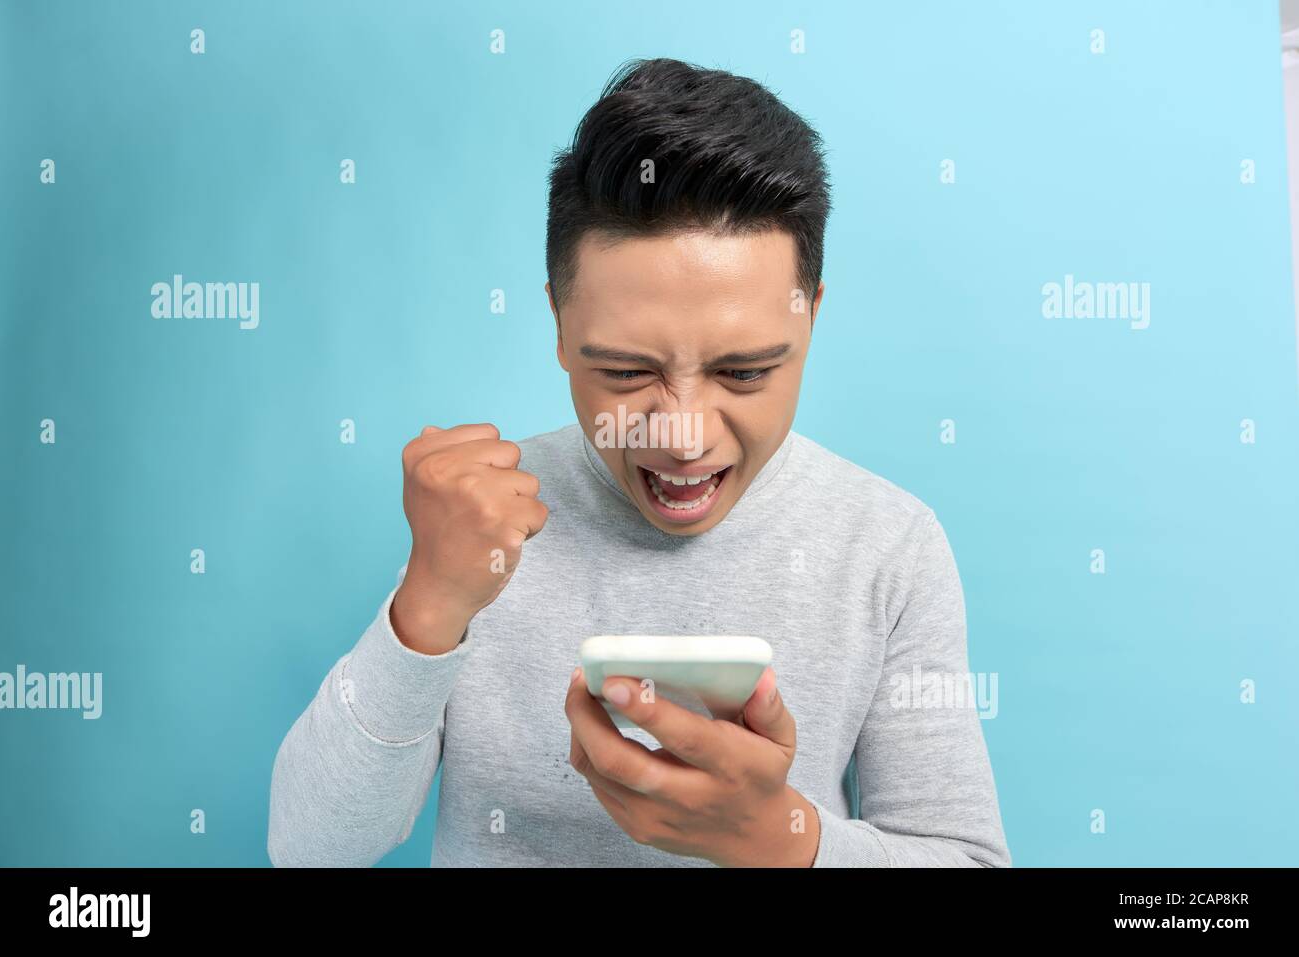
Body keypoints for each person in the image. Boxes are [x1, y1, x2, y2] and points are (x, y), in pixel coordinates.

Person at [268, 56, 1011, 868]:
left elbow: (964, 857)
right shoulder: (485, 523)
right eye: (626, 373)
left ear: (812, 318)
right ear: (558, 323)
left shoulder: (889, 546)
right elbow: (311, 850)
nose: (683, 437)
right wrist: (428, 603)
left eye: (745, 372)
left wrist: (782, 842)